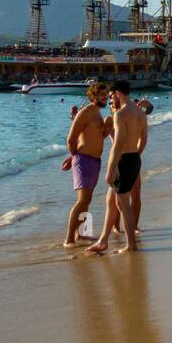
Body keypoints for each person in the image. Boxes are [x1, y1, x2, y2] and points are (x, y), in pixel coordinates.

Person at [87, 80, 147, 254]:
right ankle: (103, 240)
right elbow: (144, 139)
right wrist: (136, 155)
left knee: (122, 204)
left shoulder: (120, 115)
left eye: (113, 95)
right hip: (135, 157)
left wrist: (110, 168)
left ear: (119, 93)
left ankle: (131, 245)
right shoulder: (140, 113)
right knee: (112, 200)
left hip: (124, 160)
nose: (113, 98)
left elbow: (118, 144)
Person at [60, 82, 109, 246]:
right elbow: (71, 139)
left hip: (94, 161)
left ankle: (82, 234)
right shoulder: (86, 112)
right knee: (82, 200)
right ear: (93, 96)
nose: (106, 97)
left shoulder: (98, 113)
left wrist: (107, 128)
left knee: (87, 200)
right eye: (102, 94)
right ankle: (68, 239)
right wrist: (73, 157)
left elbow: (95, 138)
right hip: (84, 160)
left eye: (106, 94)